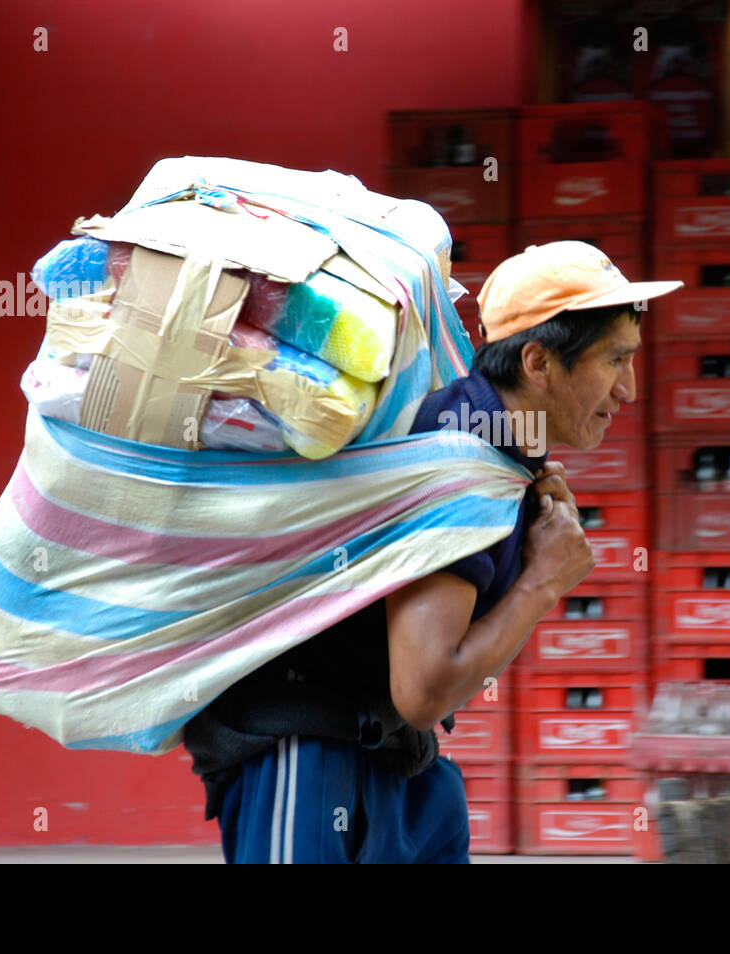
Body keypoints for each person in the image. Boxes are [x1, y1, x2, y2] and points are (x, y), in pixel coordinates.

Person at [181, 241, 683, 863]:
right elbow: (423, 687)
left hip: (394, 759)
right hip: (308, 756)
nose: (629, 390)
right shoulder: (460, 464)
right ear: (539, 362)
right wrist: (543, 583)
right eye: (616, 360)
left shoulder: (501, 456)